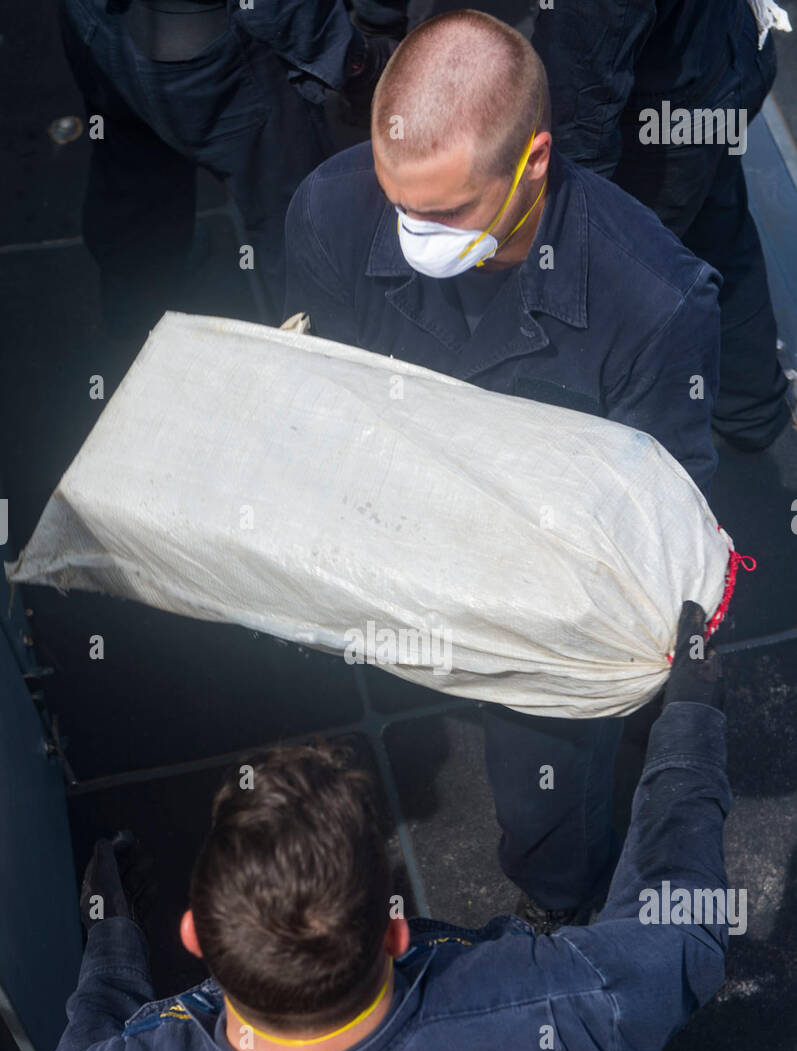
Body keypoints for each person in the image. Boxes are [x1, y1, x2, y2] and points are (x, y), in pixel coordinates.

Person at [33, 602, 732, 1051]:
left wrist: (114, 943)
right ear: (396, 934)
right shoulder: (545, 1019)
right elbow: (675, 931)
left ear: (191, 938)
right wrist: (690, 723)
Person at [283, 9, 722, 926]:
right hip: (400, 524)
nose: (410, 230)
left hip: (549, 586)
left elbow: (656, 518)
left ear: (532, 164)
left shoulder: (653, 304)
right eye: (396, 198)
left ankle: (565, 911)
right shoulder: (330, 208)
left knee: (542, 805)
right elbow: (336, 388)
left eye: (444, 212)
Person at [533, 0, 793, 453]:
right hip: (720, 61)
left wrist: (571, 234)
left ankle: (643, 457)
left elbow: (581, 121)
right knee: (719, 228)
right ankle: (752, 411)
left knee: (637, 285)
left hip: (666, 121)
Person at [58, 0, 405, 334]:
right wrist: (355, 59)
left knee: (132, 163)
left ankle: (136, 298)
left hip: (96, 22)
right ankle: (309, 345)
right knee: (291, 211)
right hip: (212, 51)